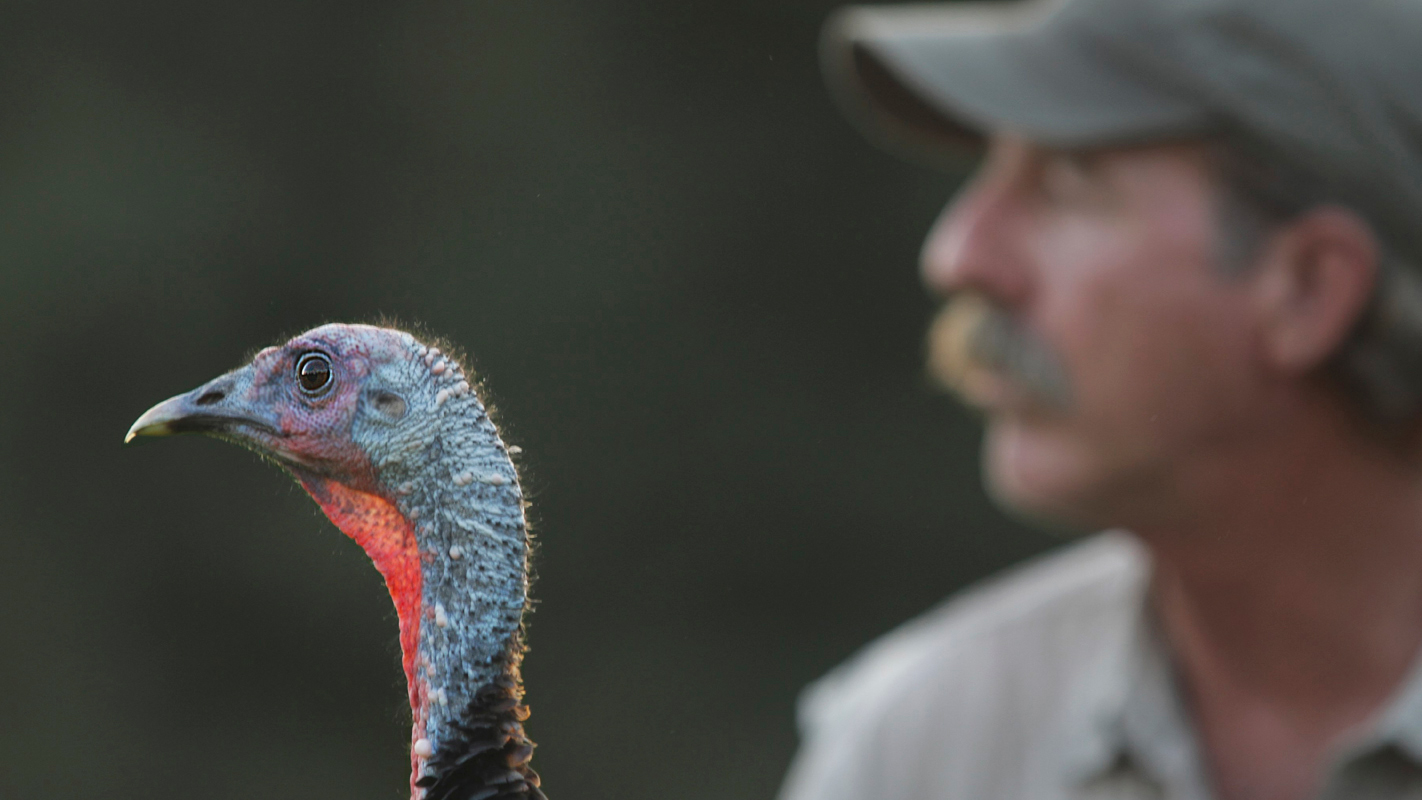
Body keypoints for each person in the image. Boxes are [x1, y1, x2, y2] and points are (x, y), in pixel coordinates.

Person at [777, 0, 1422, 798]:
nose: (959, 256)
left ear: (1308, 289)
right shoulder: (925, 749)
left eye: (1068, 181)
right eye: (993, 168)